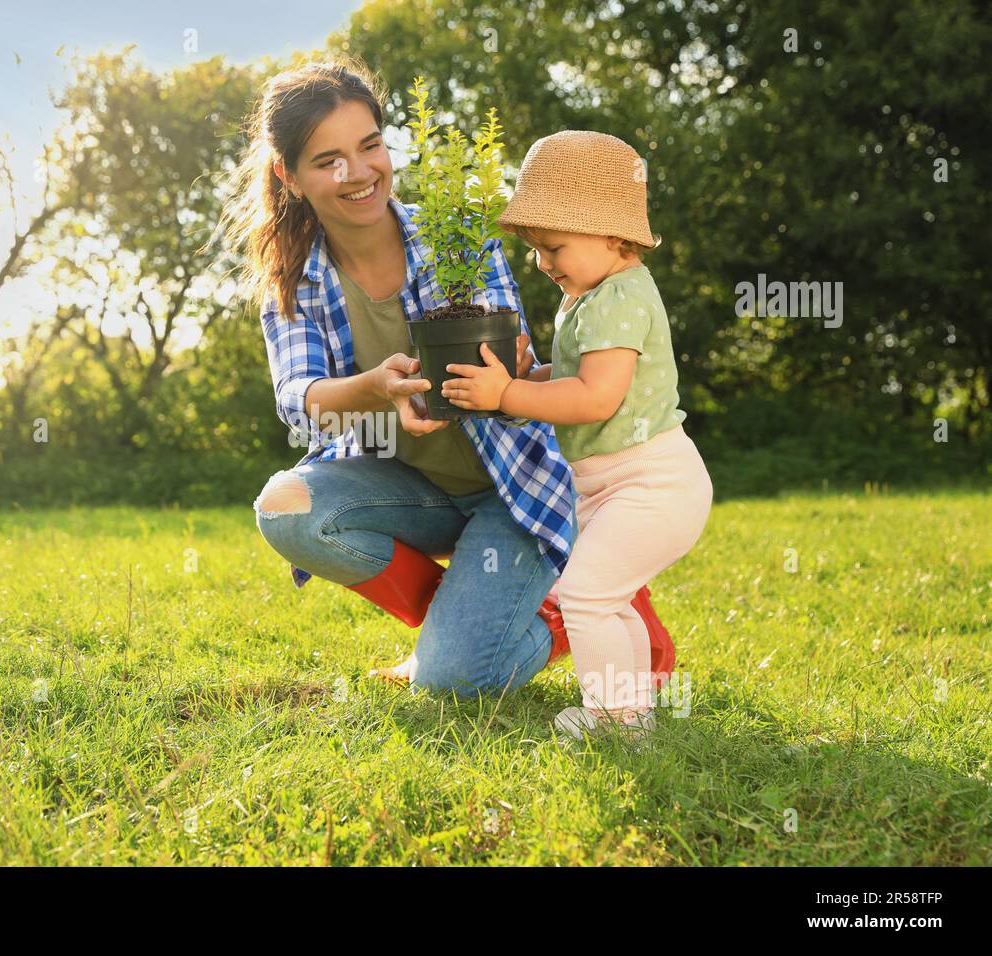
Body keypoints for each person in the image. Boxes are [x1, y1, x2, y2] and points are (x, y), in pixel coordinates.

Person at [216, 59, 675, 697]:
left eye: (370, 146)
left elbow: (521, 384)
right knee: (285, 506)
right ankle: (463, 623)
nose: (359, 172)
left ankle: (553, 613)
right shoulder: (295, 283)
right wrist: (375, 387)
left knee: (452, 686)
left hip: (509, 490)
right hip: (415, 492)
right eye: (329, 160)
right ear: (287, 175)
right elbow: (300, 402)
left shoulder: (455, 243)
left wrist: (510, 369)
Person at [439, 130, 712, 735]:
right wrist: (521, 375)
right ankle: (634, 711)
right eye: (536, 248)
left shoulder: (619, 298)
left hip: (652, 483)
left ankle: (615, 722)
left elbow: (595, 397)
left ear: (612, 234)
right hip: (618, 484)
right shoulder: (593, 294)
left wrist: (508, 395)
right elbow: (569, 377)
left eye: (554, 246)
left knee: (586, 597)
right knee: (606, 598)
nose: (542, 263)